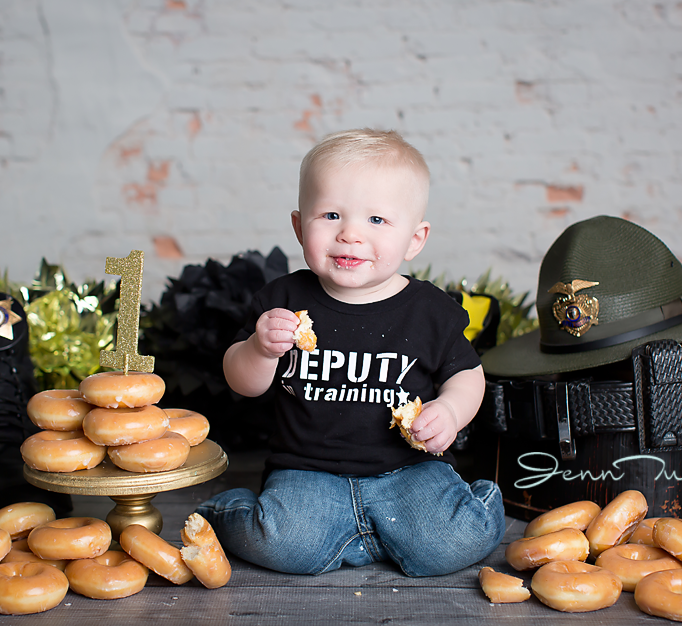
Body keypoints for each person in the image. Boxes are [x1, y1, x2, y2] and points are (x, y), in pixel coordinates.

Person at [196, 128, 505, 577]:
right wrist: (259, 349)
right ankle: (229, 511)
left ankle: (421, 516)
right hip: (308, 472)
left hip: (409, 470)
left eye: (377, 221)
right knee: (285, 547)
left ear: (415, 239)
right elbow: (241, 381)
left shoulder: (429, 310)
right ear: (300, 226)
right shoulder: (283, 299)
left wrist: (452, 411)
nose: (351, 235)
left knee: (454, 542)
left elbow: (468, 374)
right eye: (332, 215)